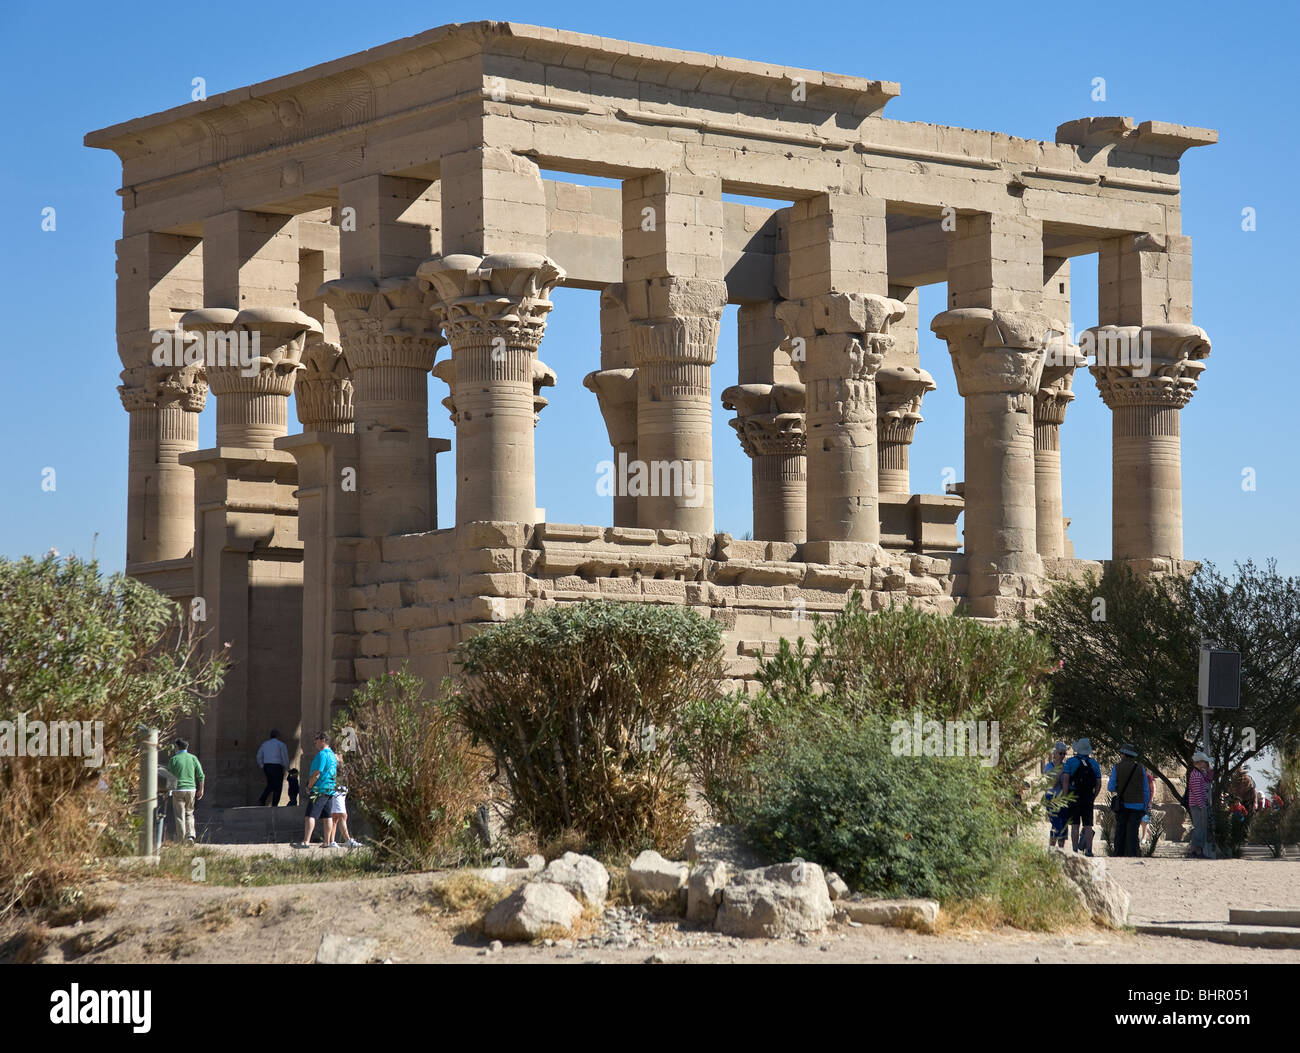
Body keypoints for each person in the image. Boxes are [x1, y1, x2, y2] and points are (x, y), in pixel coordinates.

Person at [294, 732, 339, 848]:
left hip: (319, 789)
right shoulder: (333, 755)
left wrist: (309, 786)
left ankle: (306, 841)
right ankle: (327, 842)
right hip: (330, 788)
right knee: (327, 816)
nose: (315, 742)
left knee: (310, 815)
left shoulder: (322, 755)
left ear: (323, 740)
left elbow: (317, 773)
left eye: (316, 739)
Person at [1062, 738, 1102, 856]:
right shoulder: (1094, 763)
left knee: (1075, 825)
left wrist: (1065, 796)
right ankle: (1089, 850)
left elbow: (1065, 780)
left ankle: (1074, 850)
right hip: (1088, 796)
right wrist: (1093, 796)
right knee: (1088, 825)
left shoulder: (1071, 762)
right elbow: (1098, 783)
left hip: (1074, 796)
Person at [1109, 744, 1150, 857]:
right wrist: (1145, 806)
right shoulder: (1140, 768)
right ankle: (1133, 853)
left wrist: (1119, 787)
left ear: (1123, 754)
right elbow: (1146, 789)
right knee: (1133, 832)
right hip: (1137, 805)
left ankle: (1119, 854)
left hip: (1122, 805)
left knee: (1120, 830)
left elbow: (1110, 787)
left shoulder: (1116, 767)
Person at [167, 738, 205, 843]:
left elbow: (170, 777)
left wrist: (168, 791)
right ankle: (190, 836)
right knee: (189, 813)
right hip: (191, 789)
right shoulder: (193, 758)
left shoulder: (173, 759)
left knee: (179, 815)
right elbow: (201, 775)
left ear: (177, 747)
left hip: (178, 790)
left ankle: (181, 839)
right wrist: (201, 789)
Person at [1186, 751, 1213, 858]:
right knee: (1200, 827)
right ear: (1200, 762)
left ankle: (1196, 850)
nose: (1207, 764)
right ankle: (1196, 850)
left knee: (1199, 827)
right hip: (1198, 805)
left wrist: (1209, 771)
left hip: (1196, 804)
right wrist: (1202, 806)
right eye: (1205, 762)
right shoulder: (1197, 775)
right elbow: (1197, 792)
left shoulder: (1196, 773)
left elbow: (1208, 779)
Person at [1043, 743, 1069, 848]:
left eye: (1064, 754)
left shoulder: (1066, 766)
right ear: (1054, 754)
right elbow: (1051, 784)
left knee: (1063, 825)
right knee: (1056, 823)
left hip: (1062, 799)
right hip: (1051, 798)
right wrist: (1060, 771)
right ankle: (1052, 848)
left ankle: (1061, 848)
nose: (1062, 756)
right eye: (1060, 753)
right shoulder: (1049, 766)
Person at [256, 729, 290, 807]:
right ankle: (274, 804)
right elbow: (285, 758)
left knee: (271, 784)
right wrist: (288, 768)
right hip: (277, 767)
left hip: (267, 766)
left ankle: (262, 800)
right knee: (278, 786)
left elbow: (258, 756)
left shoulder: (264, 744)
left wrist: (262, 765)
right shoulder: (281, 744)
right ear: (278, 736)